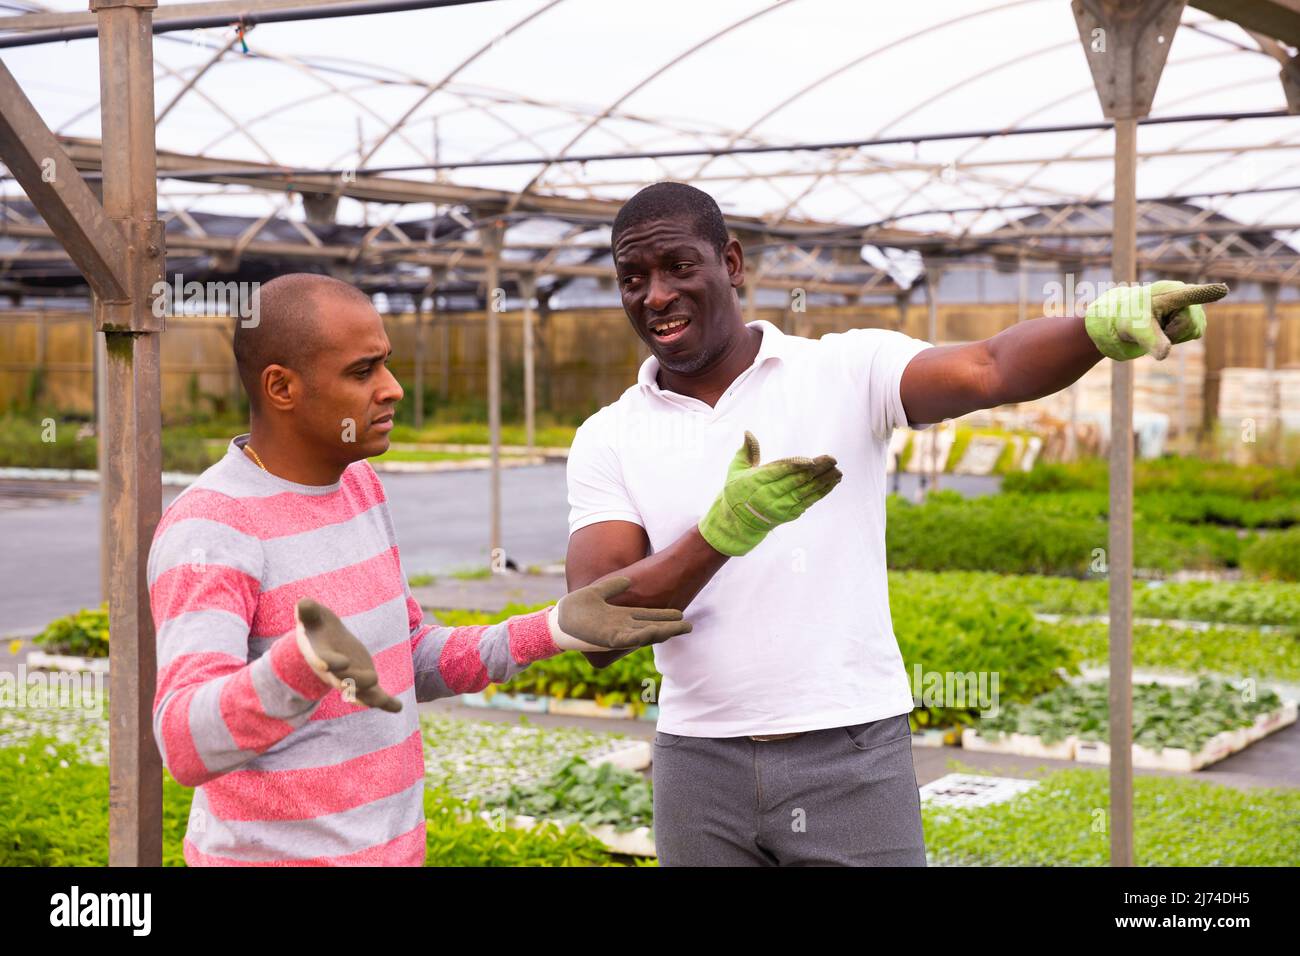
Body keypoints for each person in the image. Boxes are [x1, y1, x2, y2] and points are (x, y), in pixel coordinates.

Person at [563, 181, 1224, 866]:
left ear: (730, 263)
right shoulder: (609, 436)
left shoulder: (844, 369)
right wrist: (721, 534)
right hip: (698, 766)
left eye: (678, 267)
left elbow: (988, 367)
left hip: (851, 754)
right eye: (631, 278)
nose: (655, 295)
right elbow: (595, 632)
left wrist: (1090, 330)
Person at [147, 273, 693, 866]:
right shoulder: (210, 527)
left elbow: (406, 661)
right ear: (281, 387)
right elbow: (185, 743)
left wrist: (556, 629)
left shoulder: (359, 487)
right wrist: (299, 667)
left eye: (386, 364)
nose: (392, 389)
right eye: (363, 372)